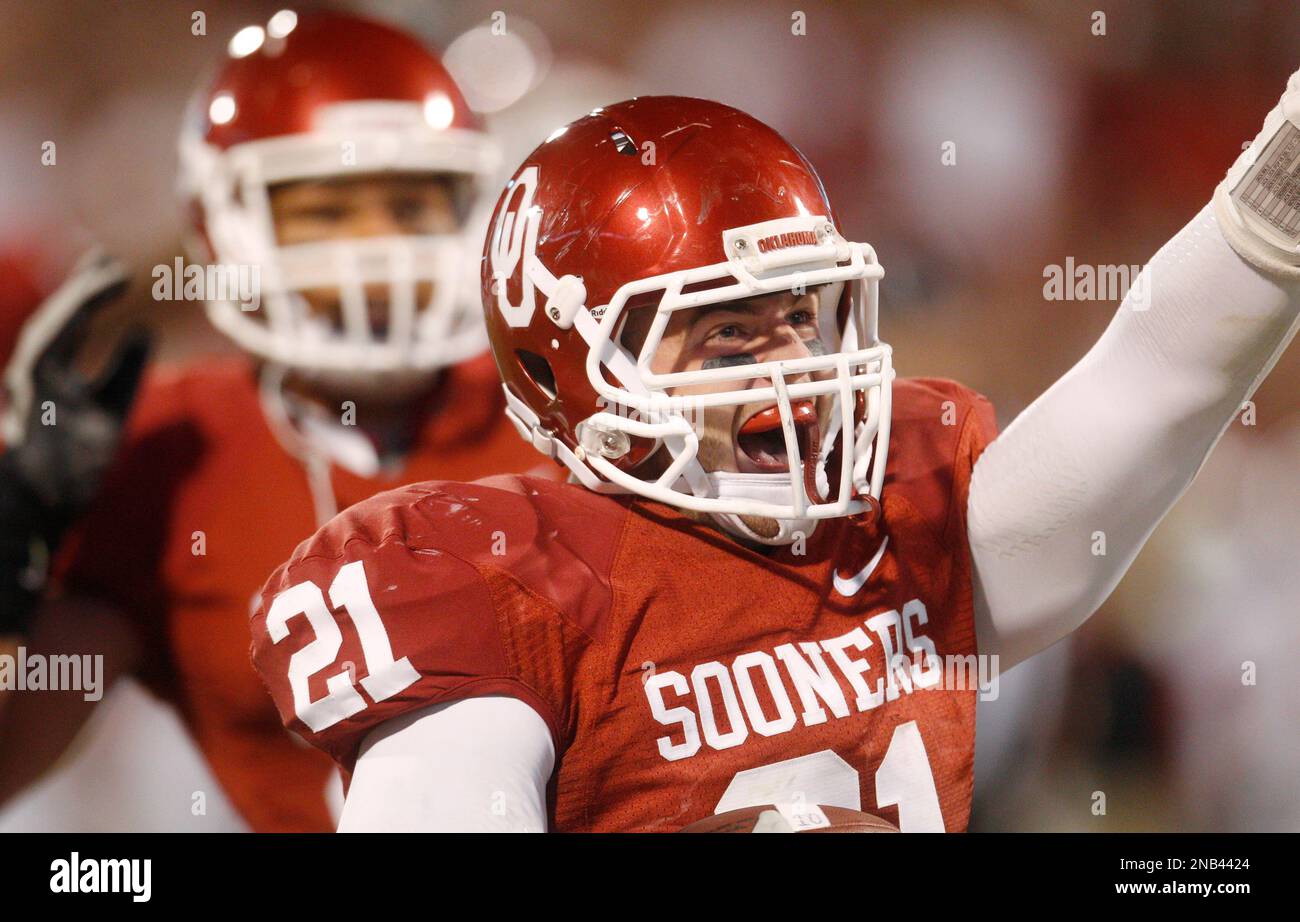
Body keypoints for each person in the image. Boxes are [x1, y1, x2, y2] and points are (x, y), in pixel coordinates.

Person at [251, 79, 1300, 831]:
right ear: (563, 364)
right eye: (727, 329)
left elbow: (1157, 374)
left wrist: (1282, 180)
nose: (793, 365)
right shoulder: (495, 579)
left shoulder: (903, 521)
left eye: (804, 313)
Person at [0, 10, 547, 833]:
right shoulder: (172, 449)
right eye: (327, 214)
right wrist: (11, 554)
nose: (374, 252)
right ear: (227, 230)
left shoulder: (563, 408)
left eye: (407, 205)